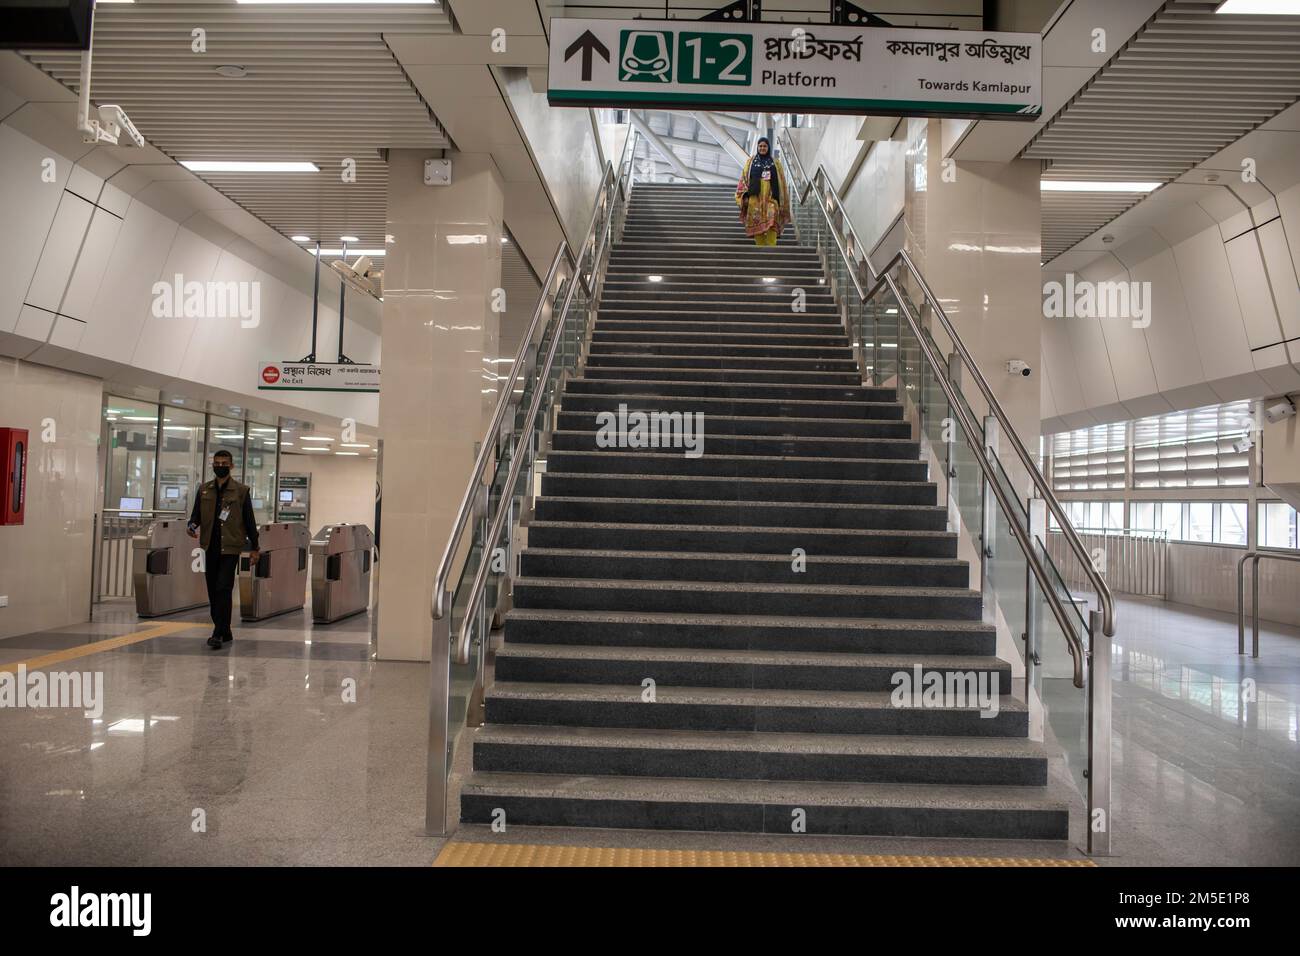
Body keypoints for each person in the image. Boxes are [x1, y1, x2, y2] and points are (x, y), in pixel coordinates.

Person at [187, 450, 259, 650]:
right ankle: (225, 629)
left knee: (223, 588)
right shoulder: (204, 490)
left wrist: (255, 547)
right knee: (212, 590)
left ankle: (217, 633)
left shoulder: (241, 491)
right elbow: (195, 517)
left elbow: (249, 521)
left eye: (224, 463)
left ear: (231, 466)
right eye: (217, 463)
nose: (220, 466)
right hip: (210, 547)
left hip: (231, 547)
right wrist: (191, 526)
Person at [735, 136, 791, 247]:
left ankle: (771, 245)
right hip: (755, 198)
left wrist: (782, 198)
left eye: (764, 146)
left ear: (768, 147)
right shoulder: (750, 162)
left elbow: (782, 181)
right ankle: (760, 247)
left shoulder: (776, 163)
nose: (762, 148)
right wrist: (744, 196)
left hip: (771, 196)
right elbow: (744, 178)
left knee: (773, 217)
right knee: (756, 220)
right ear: (757, 147)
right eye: (760, 146)